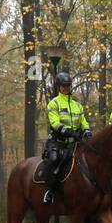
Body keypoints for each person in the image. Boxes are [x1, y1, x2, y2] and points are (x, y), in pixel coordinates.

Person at [42, 71, 90, 204]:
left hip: (74, 144)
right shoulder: (54, 103)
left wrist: (86, 130)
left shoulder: (77, 105)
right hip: (58, 142)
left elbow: (83, 121)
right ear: (59, 87)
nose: (66, 88)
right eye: (63, 85)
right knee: (53, 159)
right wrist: (67, 131)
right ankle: (49, 191)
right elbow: (55, 123)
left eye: (68, 85)